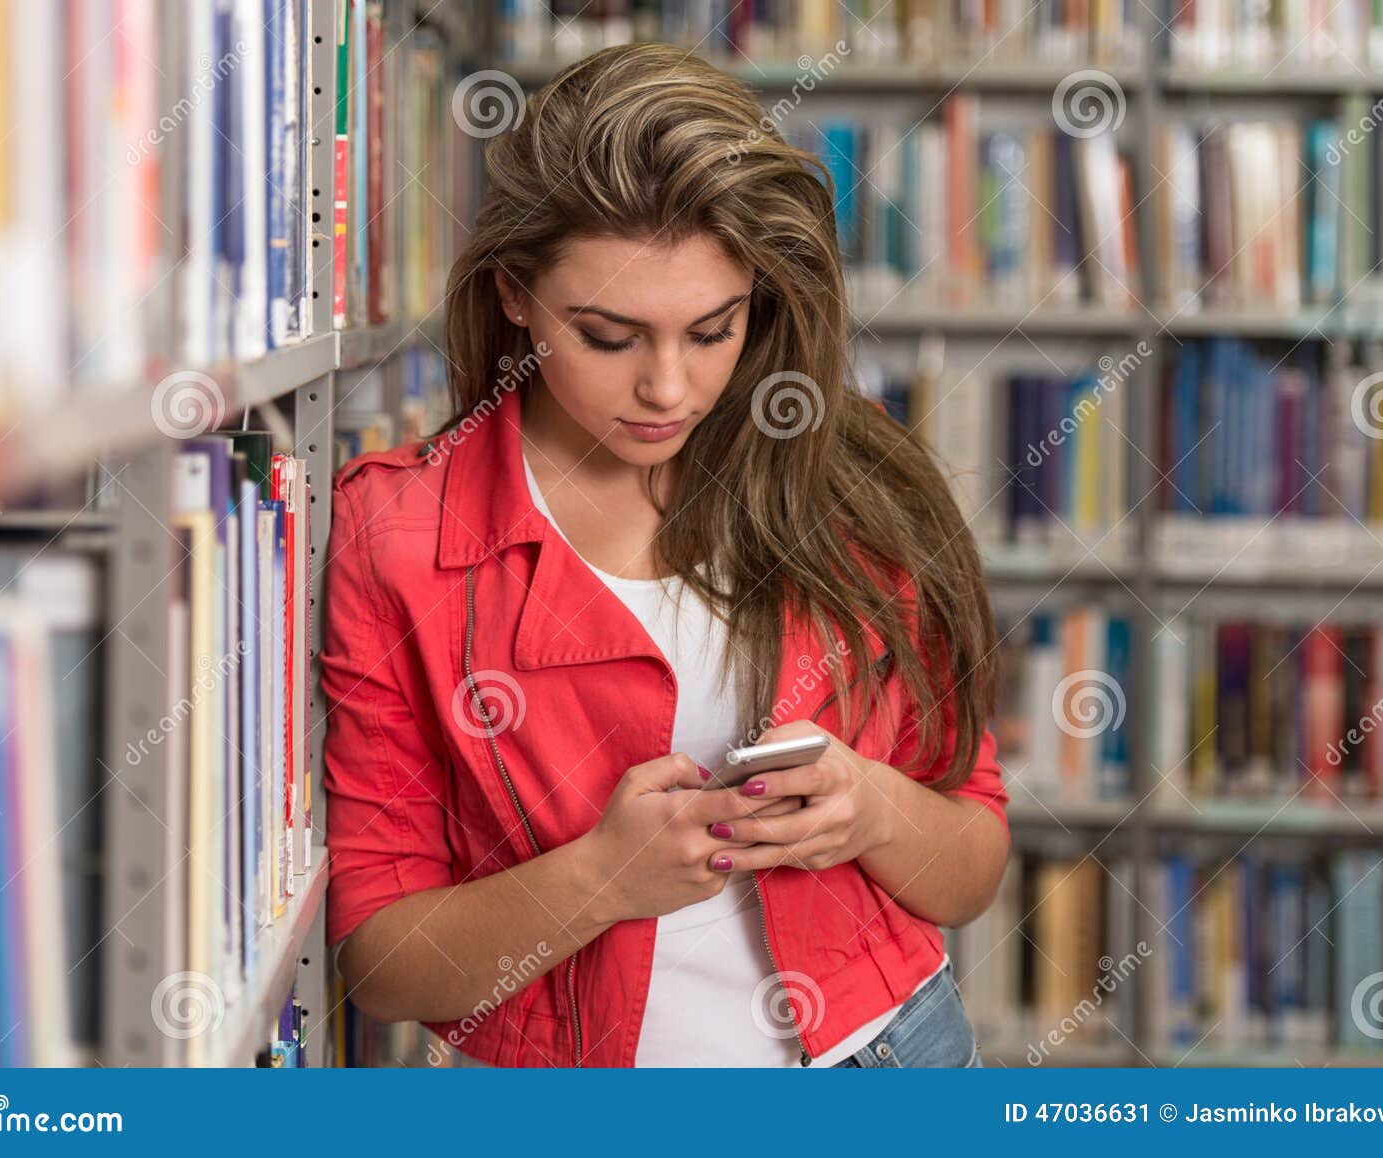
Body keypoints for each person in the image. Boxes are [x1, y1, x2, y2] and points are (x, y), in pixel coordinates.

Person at [322, 42, 1008, 1068]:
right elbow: (383, 962)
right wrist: (600, 877)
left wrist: (873, 808)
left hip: (895, 1056)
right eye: (608, 336)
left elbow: (970, 870)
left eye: (713, 329)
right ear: (515, 294)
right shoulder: (400, 535)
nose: (670, 389)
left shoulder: (847, 477)